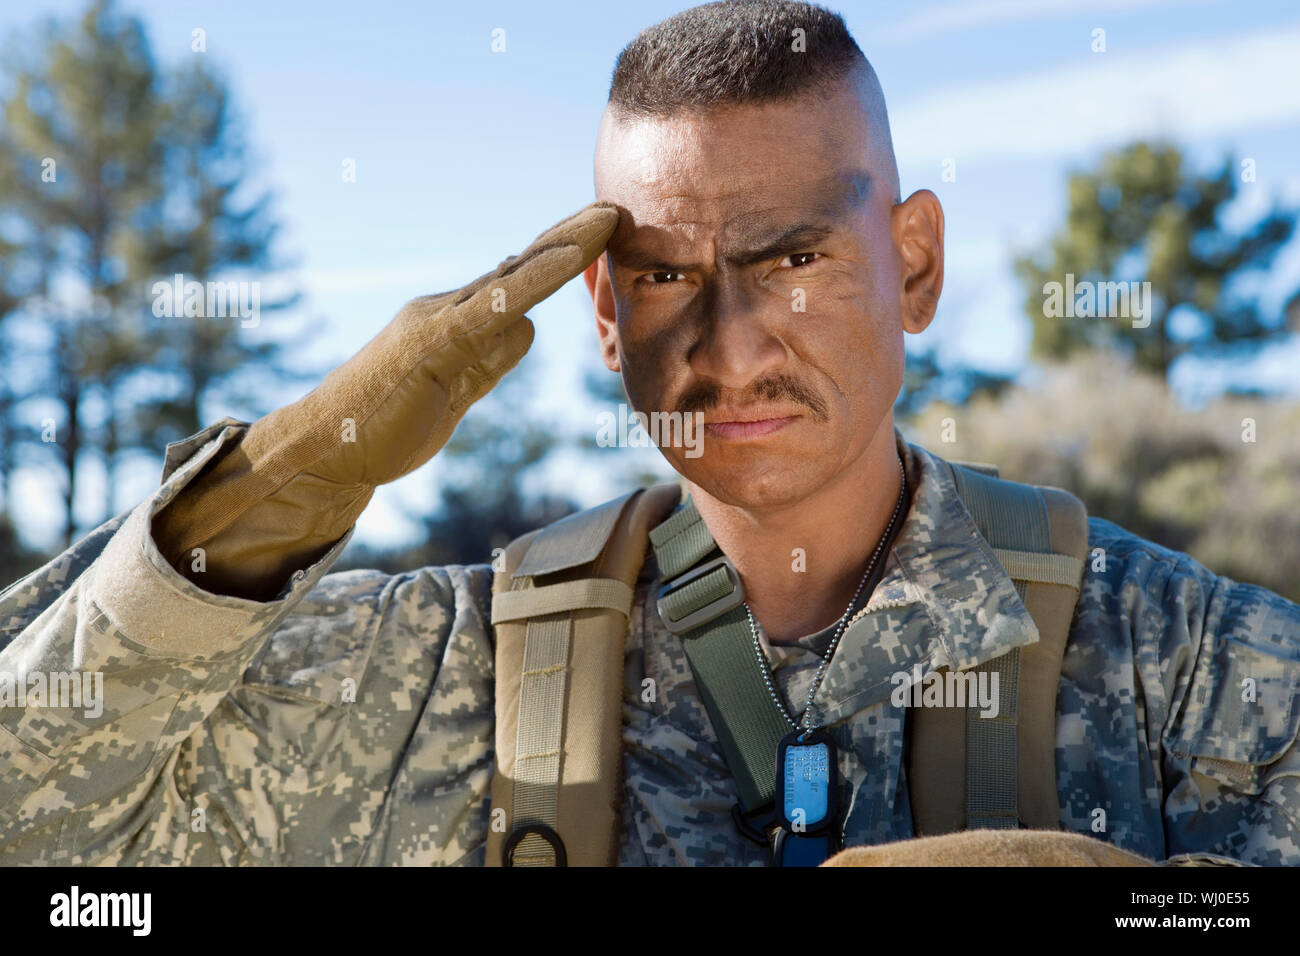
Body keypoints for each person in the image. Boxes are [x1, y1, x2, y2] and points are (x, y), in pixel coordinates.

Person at [1, 0, 1296, 867]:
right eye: (669, 277)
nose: (729, 348)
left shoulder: (1181, 662)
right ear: (607, 321)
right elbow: (41, 826)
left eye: (793, 258)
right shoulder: (460, 675)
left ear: (914, 266)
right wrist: (281, 487)